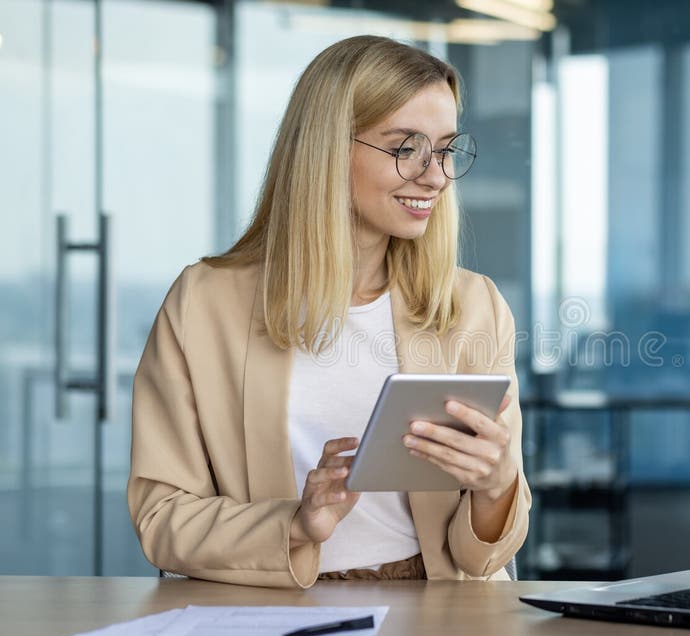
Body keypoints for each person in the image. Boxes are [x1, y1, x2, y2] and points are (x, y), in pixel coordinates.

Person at [127, 35, 529, 588]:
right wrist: (293, 523)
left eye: (444, 150)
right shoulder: (204, 304)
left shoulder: (473, 306)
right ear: (328, 148)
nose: (435, 176)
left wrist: (496, 485)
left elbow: (480, 557)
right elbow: (161, 518)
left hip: (440, 614)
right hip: (276, 612)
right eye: (406, 147)